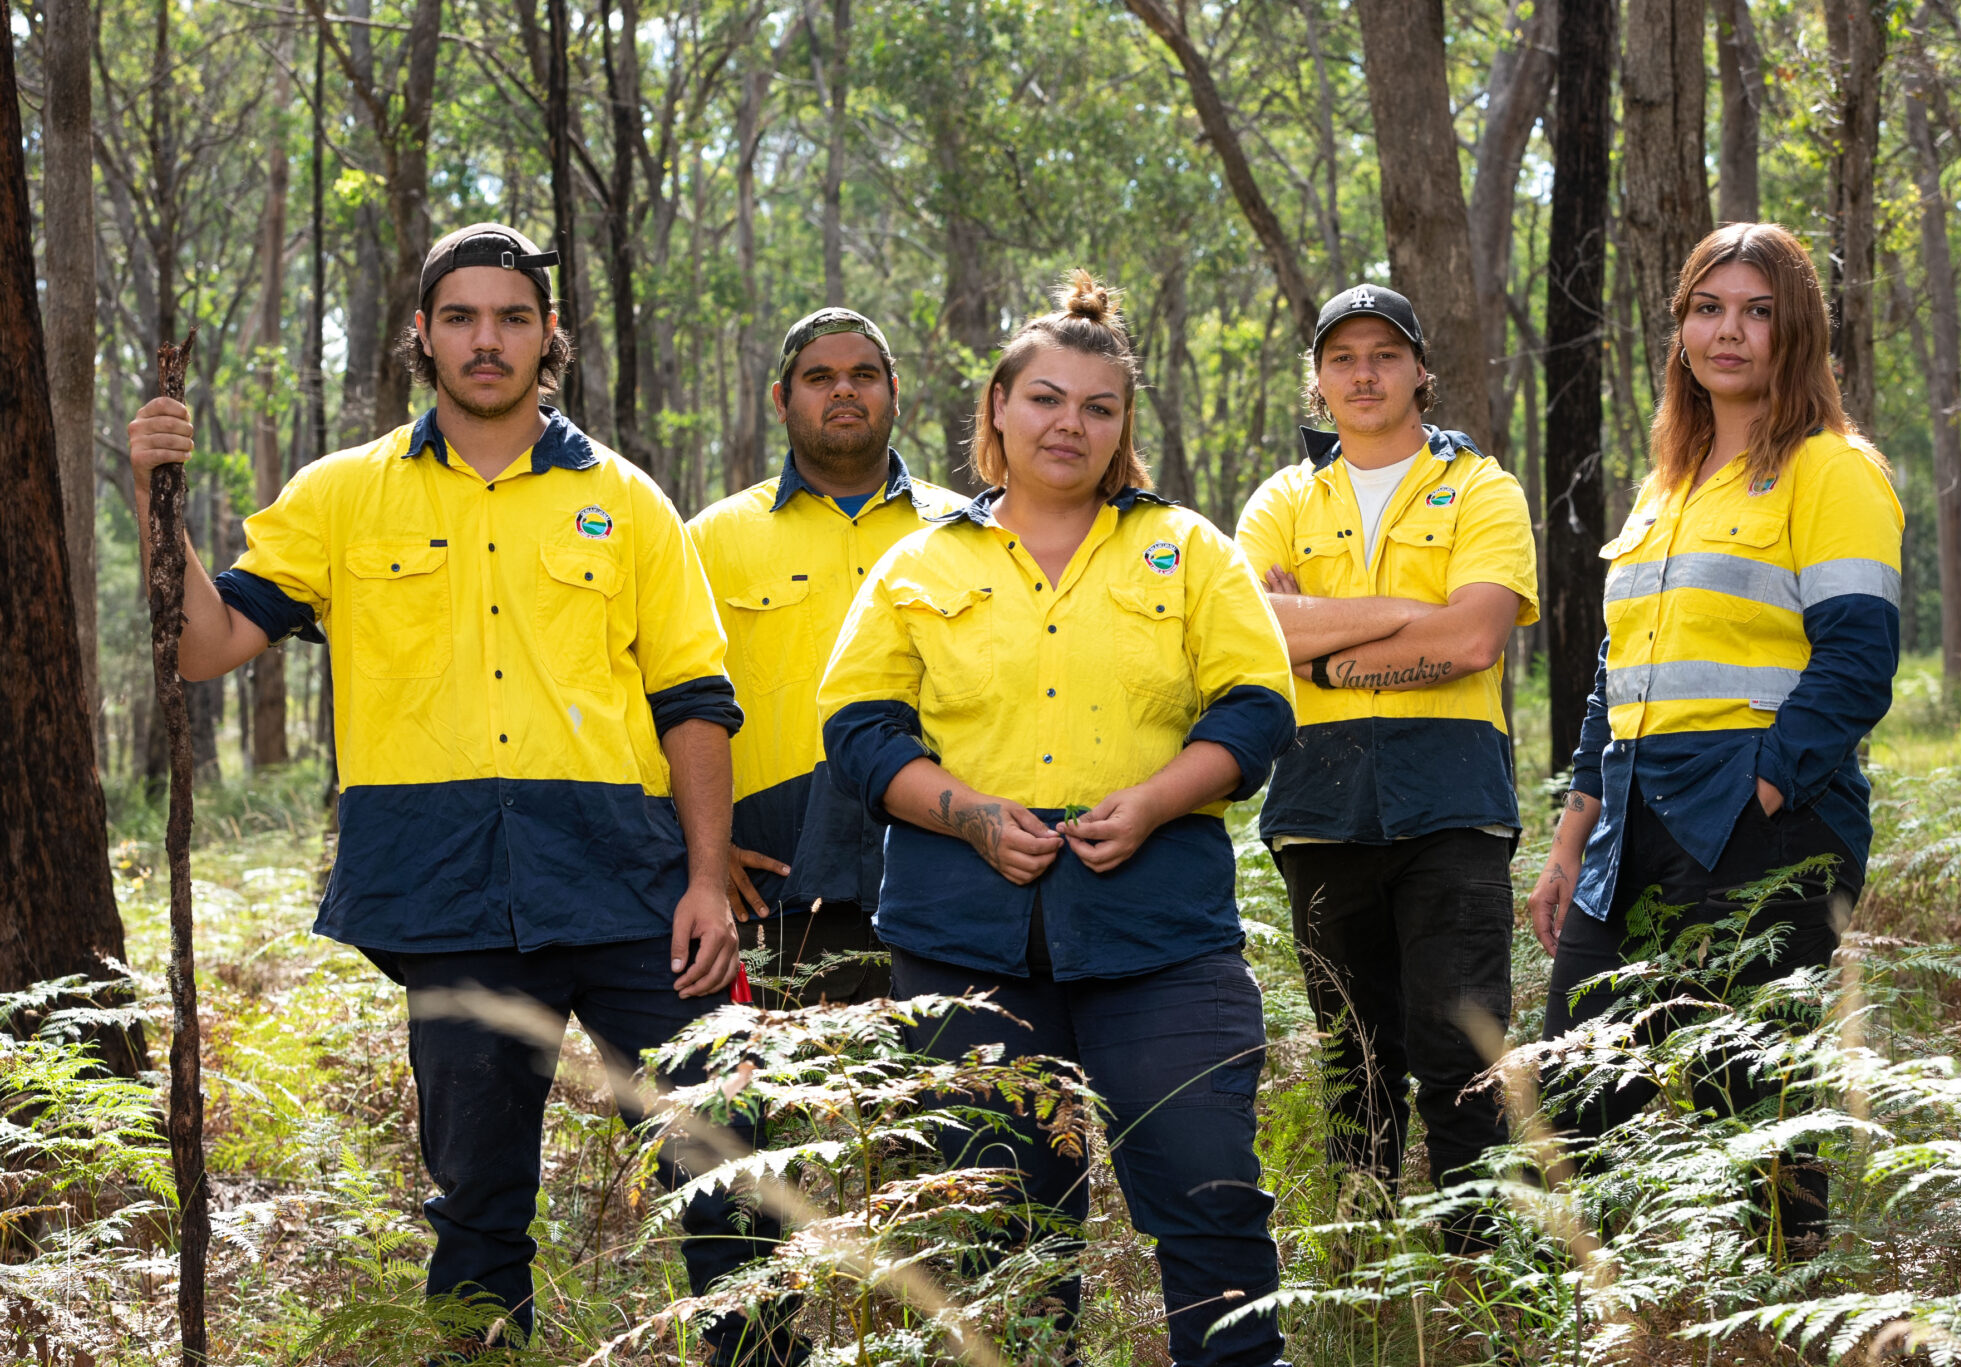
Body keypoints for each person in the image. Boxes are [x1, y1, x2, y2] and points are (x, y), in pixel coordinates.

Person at [126, 222, 801, 1364]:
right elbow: (204, 646)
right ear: (423, 338)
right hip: (449, 895)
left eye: (511, 317)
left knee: (728, 1169)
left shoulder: (627, 501)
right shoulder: (345, 494)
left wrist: (702, 877)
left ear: (550, 338)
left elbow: (694, 699)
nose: (485, 341)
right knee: (478, 1207)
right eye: (460, 318)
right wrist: (157, 495)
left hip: (629, 884)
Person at [818, 272, 1298, 1367]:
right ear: (996, 407)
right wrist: (971, 813)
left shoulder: (1187, 549)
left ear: (1125, 423)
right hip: (961, 947)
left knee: (1212, 1213)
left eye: (1097, 405)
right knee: (997, 1246)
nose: (1067, 424)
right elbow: (857, 731)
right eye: (1043, 398)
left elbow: (1258, 706)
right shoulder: (922, 562)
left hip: (1162, 943)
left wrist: (1159, 795)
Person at [1526, 221, 1903, 1252]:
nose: (1727, 331)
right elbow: (1618, 680)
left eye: (1756, 310)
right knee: (1574, 1103)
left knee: (1760, 1115)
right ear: (1679, 329)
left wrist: (1762, 791)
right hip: (1629, 828)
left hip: (1759, 825)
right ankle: (1598, 1325)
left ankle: (1779, 1323)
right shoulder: (1663, 487)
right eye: (1706, 307)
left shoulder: (1832, 470)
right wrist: (1571, 838)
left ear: (1796, 333)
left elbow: (1856, 662)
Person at [1233, 283, 1538, 1248]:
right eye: (1342, 358)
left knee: (1460, 1050)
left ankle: (1471, 1271)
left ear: (1420, 370)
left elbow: (1478, 636)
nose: (1364, 374)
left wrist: (1323, 649)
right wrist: (1415, 615)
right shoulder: (1282, 499)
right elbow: (1253, 628)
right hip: (1320, 802)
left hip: (1453, 799)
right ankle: (1367, 1271)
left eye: (1384, 354)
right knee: (1353, 1058)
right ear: (1318, 381)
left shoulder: (1482, 486)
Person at [688, 308, 963, 1006]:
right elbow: (658, 702)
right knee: (791, 1110)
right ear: (782, 400)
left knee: (953, 1105)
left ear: (895, 393)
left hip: (953, 876)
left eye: (863, 375)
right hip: (781, 891)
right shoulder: (710, 541)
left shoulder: (970, 530)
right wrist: (699, 855)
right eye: (819, 377)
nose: (844, 390)